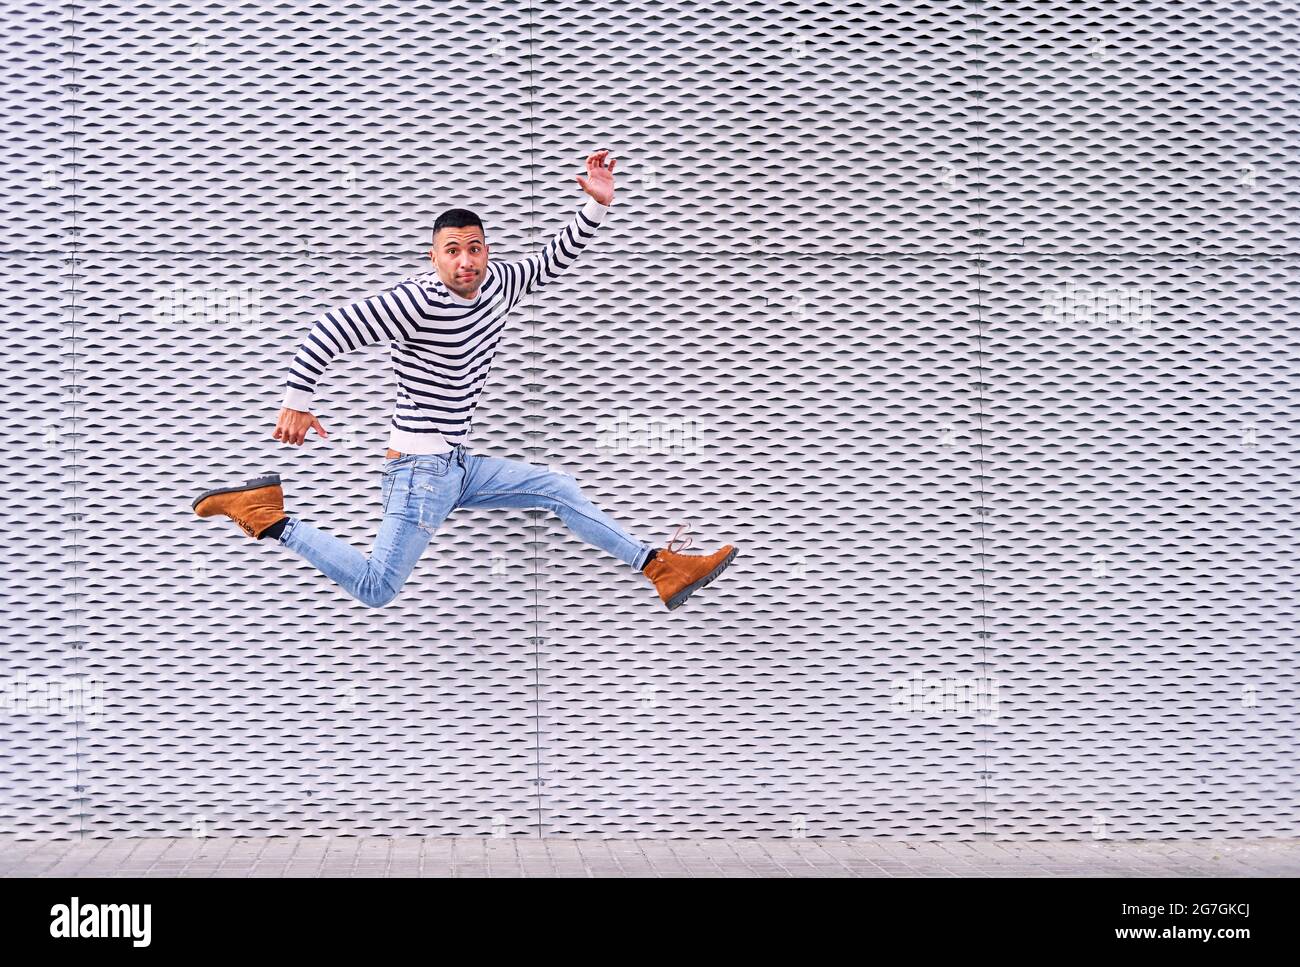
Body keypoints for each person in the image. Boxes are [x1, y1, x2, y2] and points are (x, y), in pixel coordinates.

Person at [193, 149, 737, 610]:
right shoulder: (415, 302)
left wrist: (595, 204)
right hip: (419, 473)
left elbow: (552, 259)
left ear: (486, 251)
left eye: (473, 248)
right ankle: (267, 515)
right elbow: (329, 329)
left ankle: (662, 568)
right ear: (435, 258)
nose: (465, 261)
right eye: (452, 251)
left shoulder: (499, 283)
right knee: (377, 587)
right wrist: (296, 400)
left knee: (558, 489)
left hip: (457, 464)